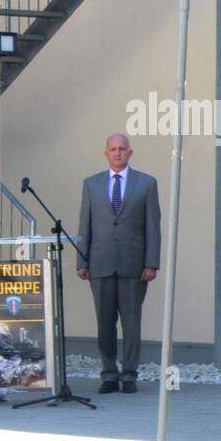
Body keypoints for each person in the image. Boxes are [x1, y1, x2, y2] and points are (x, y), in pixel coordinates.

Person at [76, 133, 161, 393]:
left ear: (130, 152)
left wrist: (151, 263)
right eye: (112, 149)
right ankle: (109, 375)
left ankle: (129, 375)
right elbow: (85, 224)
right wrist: (82, 259)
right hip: (100, 263)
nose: (117, 153)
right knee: (104, 322)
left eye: (122, 149)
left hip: (134, 265)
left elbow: (153, 226)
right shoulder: (92, 184)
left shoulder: (146, 183)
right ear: (106, 153)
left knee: (132, 322)